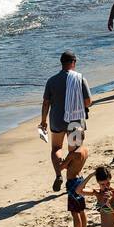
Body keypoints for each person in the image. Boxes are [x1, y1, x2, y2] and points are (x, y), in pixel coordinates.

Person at [41, 51, 91, 193]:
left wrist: (43, 121)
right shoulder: (80, 79)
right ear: (74, 62)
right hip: (74, 120)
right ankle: (72, 177)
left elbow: (45, 103)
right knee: (74, 150)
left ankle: (58, 174)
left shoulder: (51, 80)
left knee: (56, 148)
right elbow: (88, 102)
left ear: (61, 63)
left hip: (57, 119)